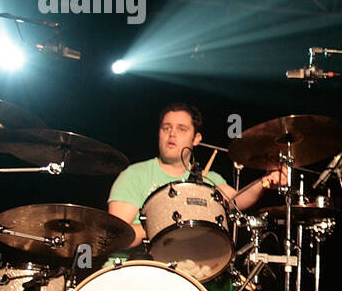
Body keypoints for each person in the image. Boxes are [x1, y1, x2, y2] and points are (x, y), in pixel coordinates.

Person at [107, 102, 281, 254]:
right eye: (166, 128)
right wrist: (166, 225)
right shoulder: (135, 174)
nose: (172, 134)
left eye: (181, 129)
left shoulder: (209, 179)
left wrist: (264, 182)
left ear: (197, 138)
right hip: (135, 266)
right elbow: (116, 236)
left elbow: (235, 201)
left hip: (186, 268)